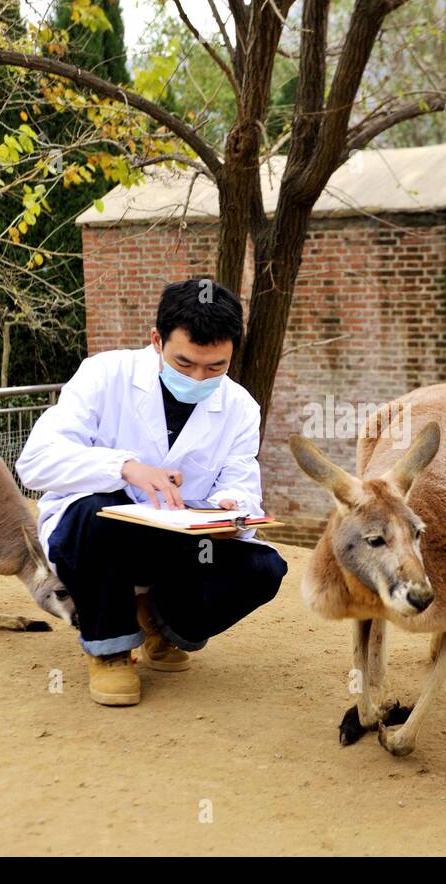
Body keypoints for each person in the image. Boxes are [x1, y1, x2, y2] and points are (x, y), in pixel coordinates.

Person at [17, 278, 288, 707]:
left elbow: (240, 485)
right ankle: (109, 649)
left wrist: (229, 510)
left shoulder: (239, 408)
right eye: (184, 364)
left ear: (232, 353)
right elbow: (35, 461)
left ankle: (160, 623)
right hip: (97, 538)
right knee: (98, 512)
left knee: (264, 569)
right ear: (156, 340)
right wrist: (124, 468)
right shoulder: (105, 374)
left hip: (177, 544)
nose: (199, 377)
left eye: (215, 367)